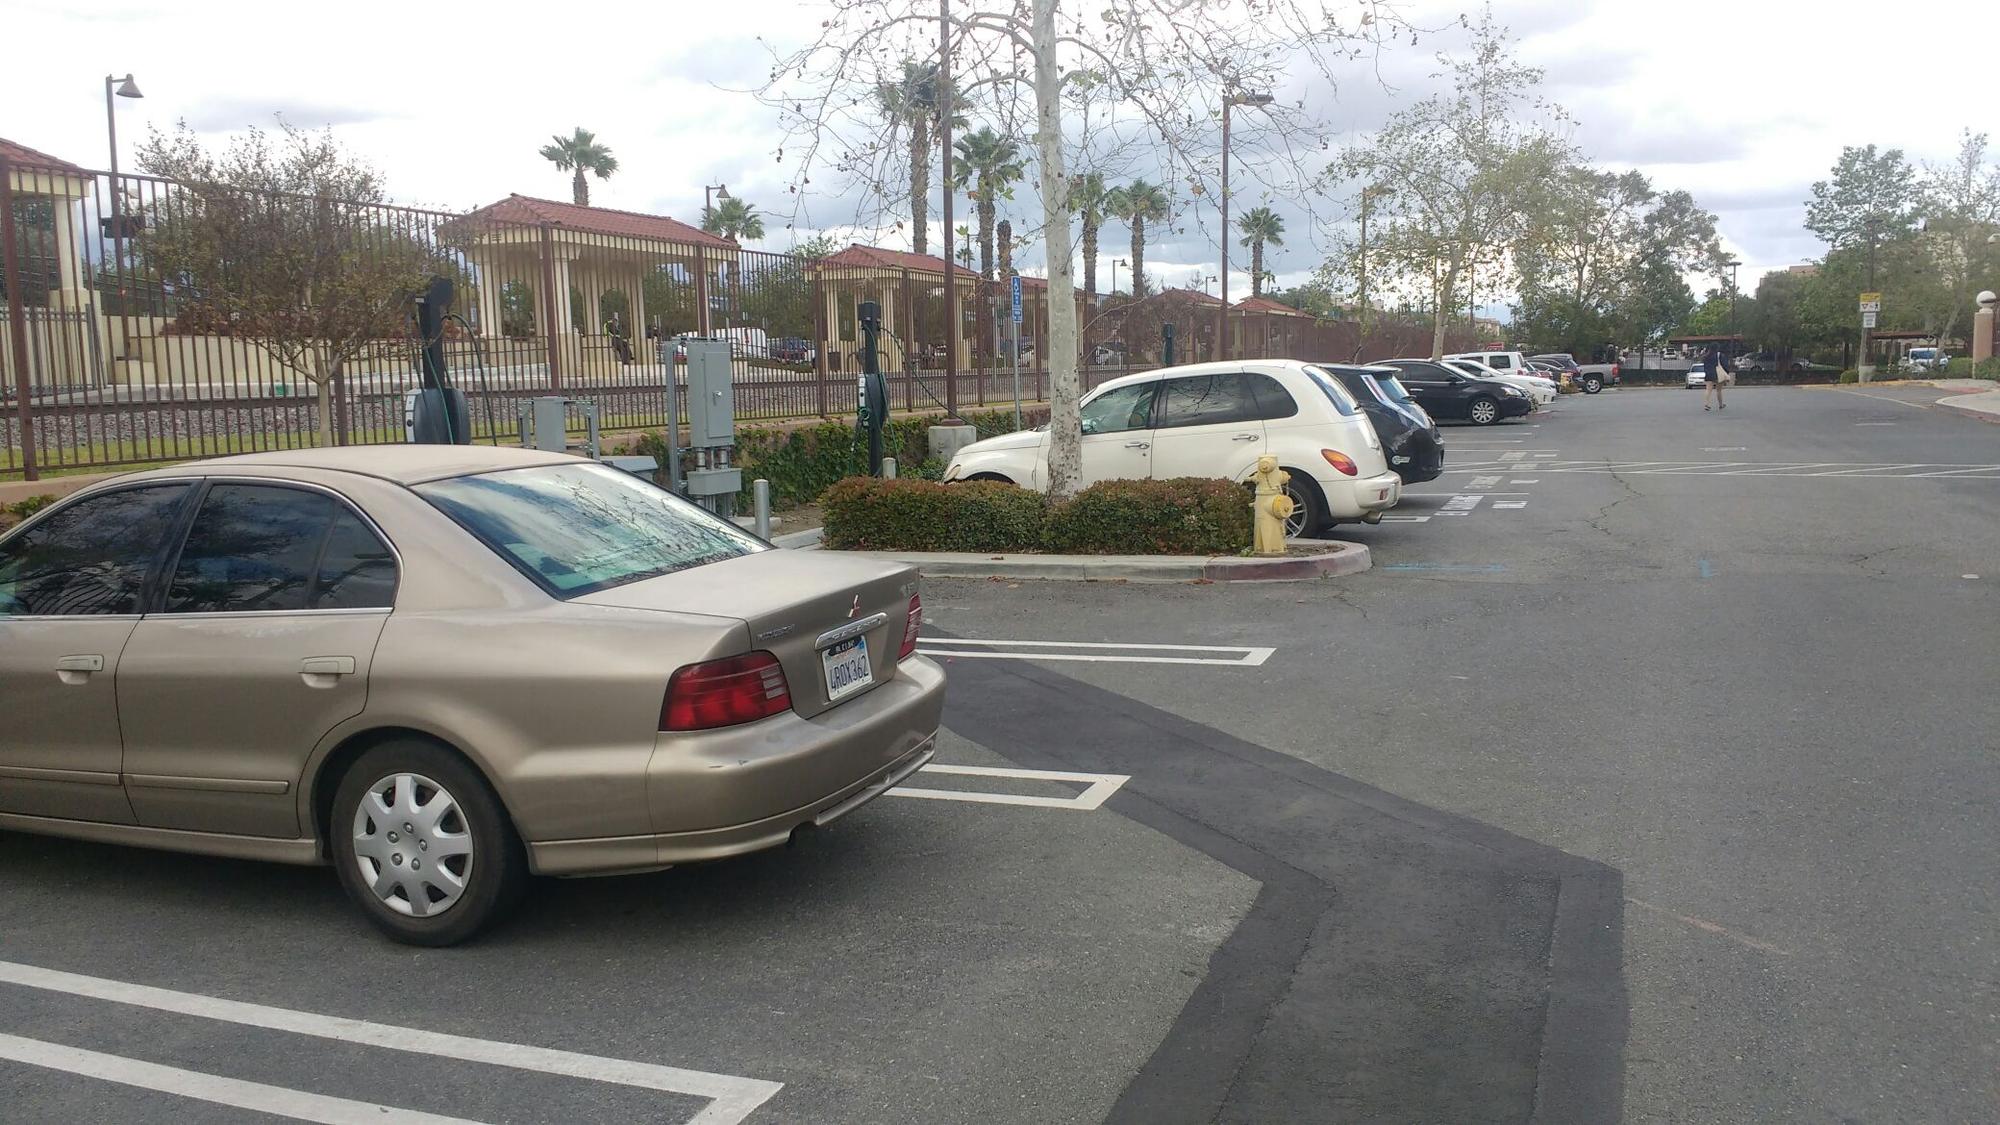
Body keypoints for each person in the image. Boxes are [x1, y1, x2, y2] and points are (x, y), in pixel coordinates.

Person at [1701, 345, 1730, 411]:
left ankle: (1707, 404)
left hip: (1708, 374)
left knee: (1708, 390)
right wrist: (1726, 374)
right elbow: (1725, 365)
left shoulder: (1706, 356)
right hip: (1718, 374)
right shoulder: (1720, 355)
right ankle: (1720, 405)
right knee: (1718, 390)